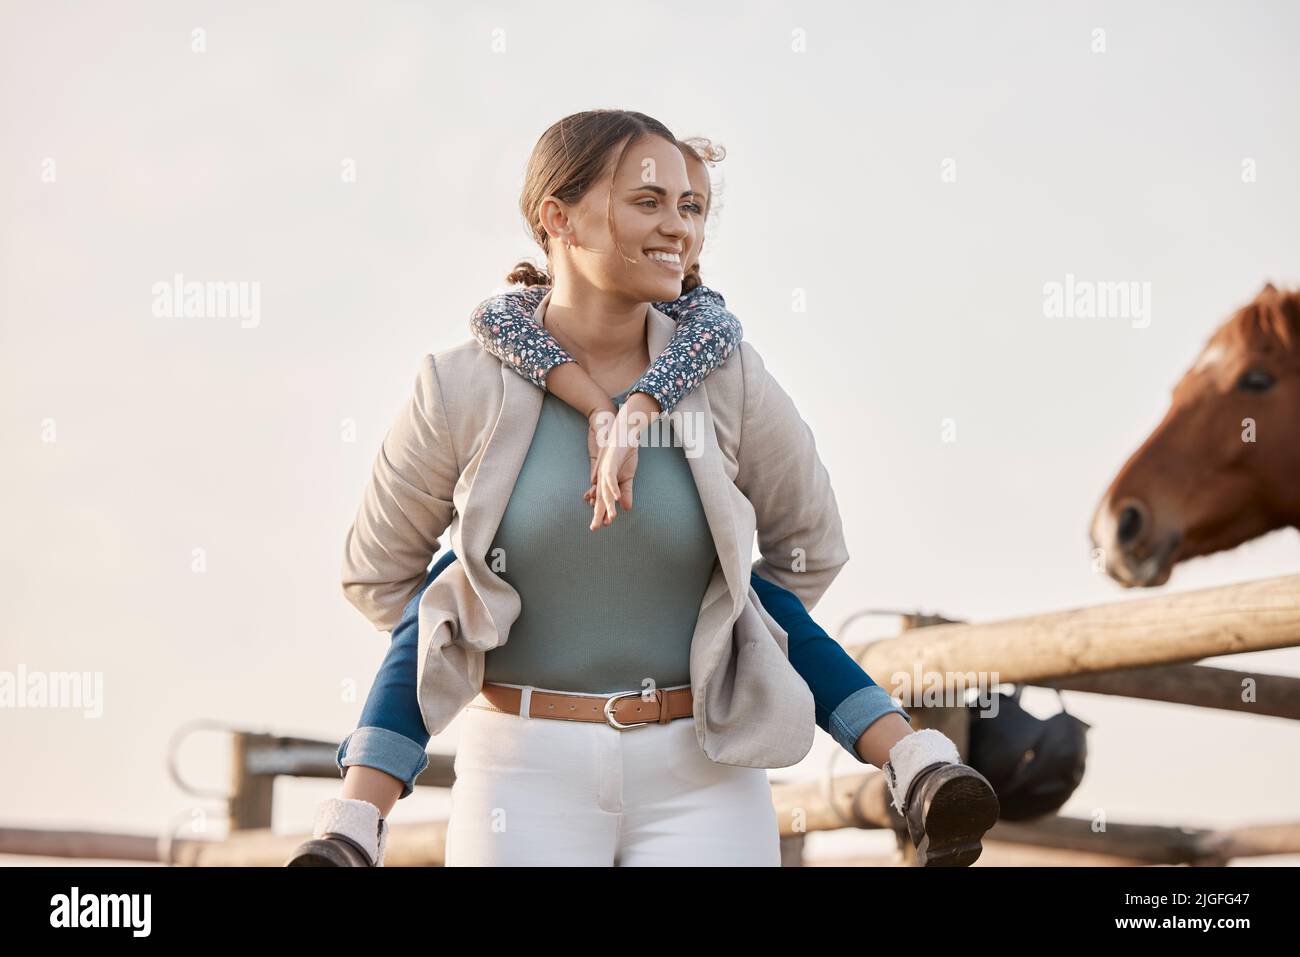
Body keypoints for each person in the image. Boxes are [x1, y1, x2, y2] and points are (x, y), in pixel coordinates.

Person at [288, 110, 998, 867]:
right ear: (558, 218)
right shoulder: (459, 385)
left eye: (691, 207)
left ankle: (911, 758)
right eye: (649, 202)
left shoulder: (730, 378)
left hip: (703, 772)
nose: (680, 228)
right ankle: (355, 820)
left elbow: (811, 548)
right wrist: (471, 633)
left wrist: (720, 637)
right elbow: (376, 573)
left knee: (740, 592)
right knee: (451, 584)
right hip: (521, 774)